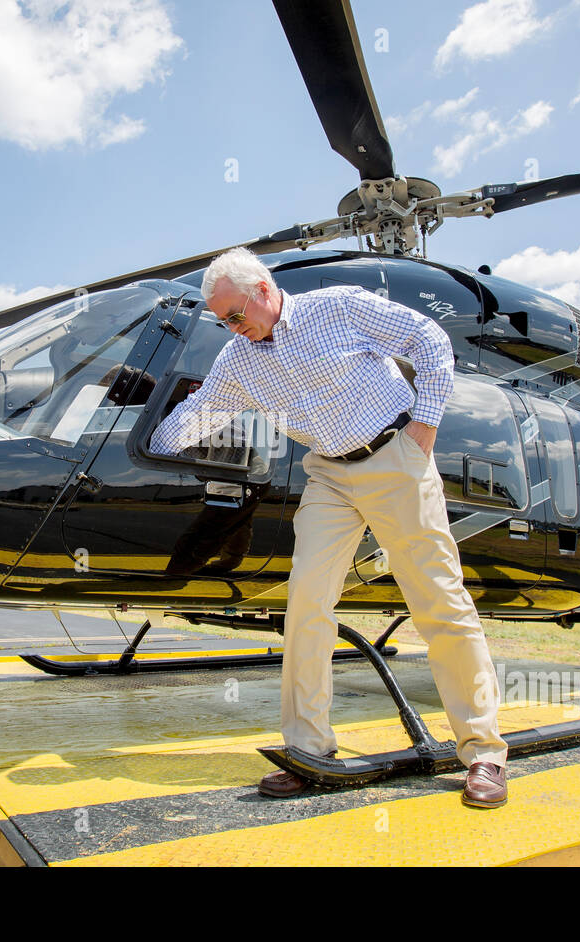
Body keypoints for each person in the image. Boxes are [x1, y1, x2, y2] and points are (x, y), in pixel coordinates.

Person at [149, 247, 508, 808]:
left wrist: (425, 425)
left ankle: (483, 752)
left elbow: (428, 339)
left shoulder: (337, 308)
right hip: (329, 477)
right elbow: (199, 415)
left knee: (438, 600)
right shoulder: (238, 358)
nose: (232, 329)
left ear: (264, 291)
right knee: (306, 605)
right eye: (223, 321)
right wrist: (135, 434)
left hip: (395, 458)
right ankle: (309, 749)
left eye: (235, 316)